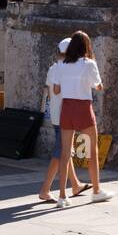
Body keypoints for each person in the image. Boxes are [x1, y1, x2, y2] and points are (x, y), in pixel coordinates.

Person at [54, 31, 111, 206]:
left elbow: (56, 90)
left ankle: (62, 196)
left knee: (65, 153)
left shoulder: (61, 65)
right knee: (92, 151)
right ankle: (96, 190)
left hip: (67, 108)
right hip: (83, 107)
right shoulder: (89, 64)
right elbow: (99, 87)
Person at [38, 37, 88, 204]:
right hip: (63, 115)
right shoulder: (65, 69)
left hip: (56, 113)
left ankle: (75, 184)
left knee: (66, 150)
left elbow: (50, 89)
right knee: (61, 152)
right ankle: (45, 189)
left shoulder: (54, 68)